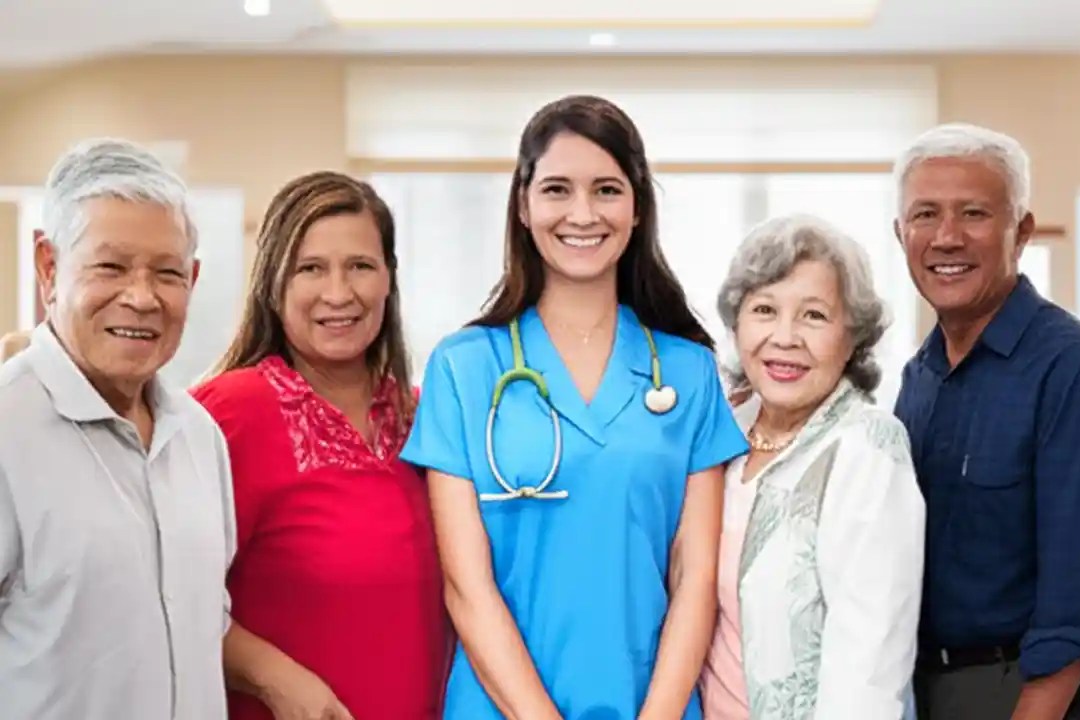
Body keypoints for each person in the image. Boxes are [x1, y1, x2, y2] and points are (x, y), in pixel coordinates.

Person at [401, 94, 747, 720]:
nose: (583, 213)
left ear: (638, 206)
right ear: (524, 205)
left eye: (607, 190)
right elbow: (466, 586)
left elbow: (693, 578)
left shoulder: (689, 373)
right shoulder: (464, 367)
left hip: (653, 705)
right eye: (557, 189)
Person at [191, 171, 449, 719]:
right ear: (273, 283)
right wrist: (272, 678)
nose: (339, 293)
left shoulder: (426, 416)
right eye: (311, 268)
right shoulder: (226, 413)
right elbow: (161, 596)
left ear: (388, 279)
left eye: (360, 266)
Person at [891, 123, 1080, 720]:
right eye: (925, 215)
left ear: (1020, 231)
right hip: (920, 687)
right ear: (900, 234)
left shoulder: (1073, 365)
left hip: (1027, 691)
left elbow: (1075, 596)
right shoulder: (917, 376)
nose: (946, 238)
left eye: (973, 213)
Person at [0, 138, 234, 719]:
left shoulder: (201, 436)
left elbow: (206, 625)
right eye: (110, 266)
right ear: (49, 267)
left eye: (168, 273)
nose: (141, 297)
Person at [700, 214, 925, 719]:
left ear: (852, 338)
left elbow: (871, 665)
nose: (785, 337)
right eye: (763, 310)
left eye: (814, 316)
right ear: (736, 326)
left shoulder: (866, 447)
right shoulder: (722, 435)